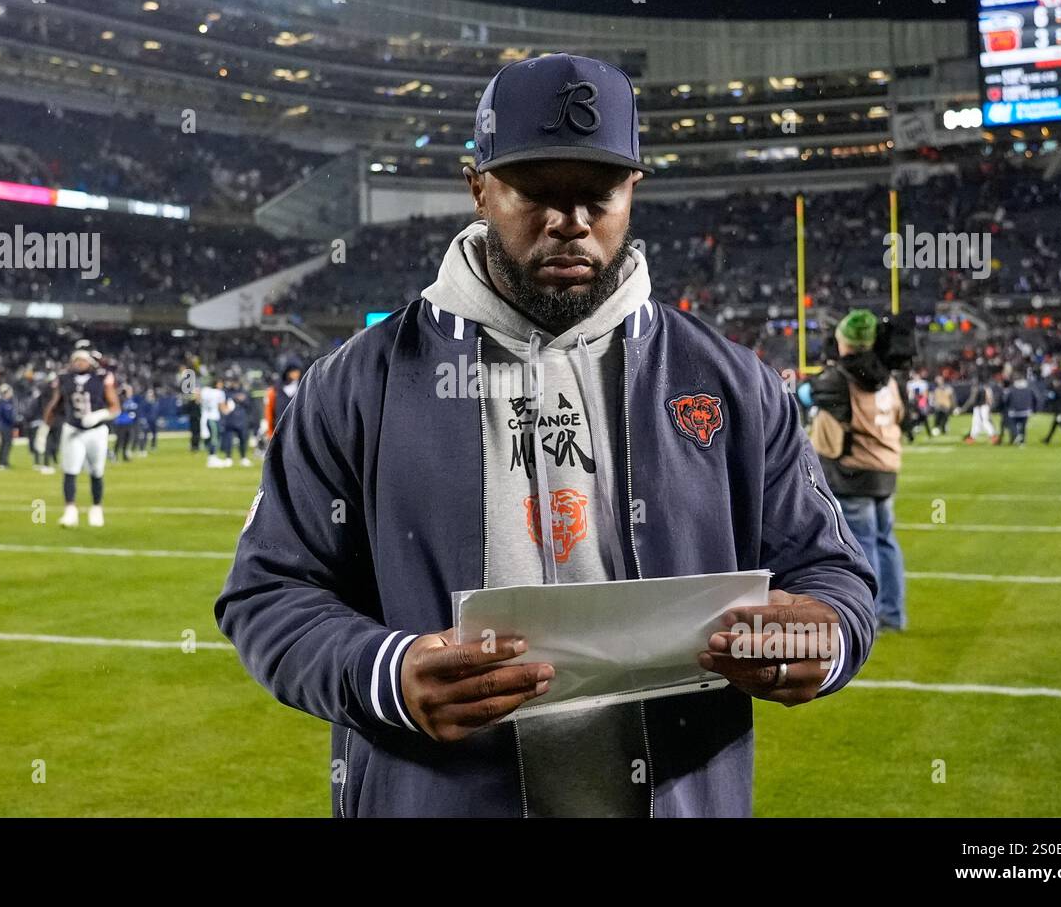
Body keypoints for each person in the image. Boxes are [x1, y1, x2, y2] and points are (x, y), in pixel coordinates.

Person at [216, 53, 876, 818]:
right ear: (478, 189)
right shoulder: (355, 384)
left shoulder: (731, 383)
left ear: (633, 190)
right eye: (537, 193)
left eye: (597, 194)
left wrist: (822, 637)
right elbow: (269, 589)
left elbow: (833, 573)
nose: (571, 223)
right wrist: (386, 674)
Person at [810, 310, 908, 632]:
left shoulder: (839, 377)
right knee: (886, 541)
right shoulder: (890, 377)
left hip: (855, 472)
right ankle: (894, 615)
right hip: (886, 468)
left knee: (863, 546)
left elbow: (809, 394)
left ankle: (871, 619)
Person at [45, 348, 120, 527]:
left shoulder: (102, 379)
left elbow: (115, 408)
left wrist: (98, 415)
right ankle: (70, 511)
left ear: (90, 363)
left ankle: (96, 508)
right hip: (73, 429)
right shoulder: (64, 379)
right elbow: (55, 404)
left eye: (83, 360)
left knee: (97, 471)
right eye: (76, 360)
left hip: (96, 430)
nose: (79, 363)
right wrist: (44, 426)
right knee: (70, 471)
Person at [220, 380, 253, 467]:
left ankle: (243, 458)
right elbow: (223, 403)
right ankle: (228, 458)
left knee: (243, 440)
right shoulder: (226, 392)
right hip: (230, 420)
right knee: (228, 440)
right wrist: (235, 397)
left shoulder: (244, 392)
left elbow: (249, 405)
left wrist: (243, 400)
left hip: (241, 420)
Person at [957, 375, 997, 444]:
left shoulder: (976, 388)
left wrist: (963, 409)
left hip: (982, 407)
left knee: (984, 421)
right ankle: (972, 437)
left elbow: (971, 400)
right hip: (981, 407)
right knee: (976, 422)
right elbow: (990, 398)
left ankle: (993, 435)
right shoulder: (986, 387)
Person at [200, 377, 226, 467]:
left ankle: (212, 457)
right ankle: (212, 458)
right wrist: (231, 408)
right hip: (214, 418)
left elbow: (198, 398)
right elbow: (223, 408)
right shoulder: (219, 393)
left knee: (212, 438)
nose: (222, 385)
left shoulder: (205, 391)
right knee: (215, 439)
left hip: (206, 418)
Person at [1003, 373, 1035, 446]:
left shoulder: (1012, 388)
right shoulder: (1028, 389)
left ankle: (1016, 435)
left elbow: (1006, 399)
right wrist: (1033, 408)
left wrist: (1008, 407)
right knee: (1023, 427)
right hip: (1025, 411)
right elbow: (1034, 398)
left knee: (1012, 424)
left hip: (1014, 410)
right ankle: (1022, 442)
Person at [0, 384, 17, 469]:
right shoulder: (4, 404)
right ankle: (3, 462)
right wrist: (14, 421)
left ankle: (1, 462)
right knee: (6, 444)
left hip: (1, 426)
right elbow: (8, 416)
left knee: (3, 444)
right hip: (5, 426)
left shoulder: (0, 403)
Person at [112, 384, 138, 463]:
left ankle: (124, 455)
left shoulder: (132, 399)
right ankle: (115, 455)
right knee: (120, 440)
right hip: (120, 422)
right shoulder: (120, 398)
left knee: (128, 439)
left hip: (129, 422)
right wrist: (121, 390)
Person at [135, 388, 159, 455]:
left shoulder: (155, 402)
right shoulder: (144, 402)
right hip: (147, 420)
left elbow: (157, 411)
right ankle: (143, 447)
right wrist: (143, 419)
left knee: (154, 434)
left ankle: (153, 446)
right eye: (149, 393)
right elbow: (142, 411)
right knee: (144, 434)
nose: (150, 394)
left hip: (153, 420)